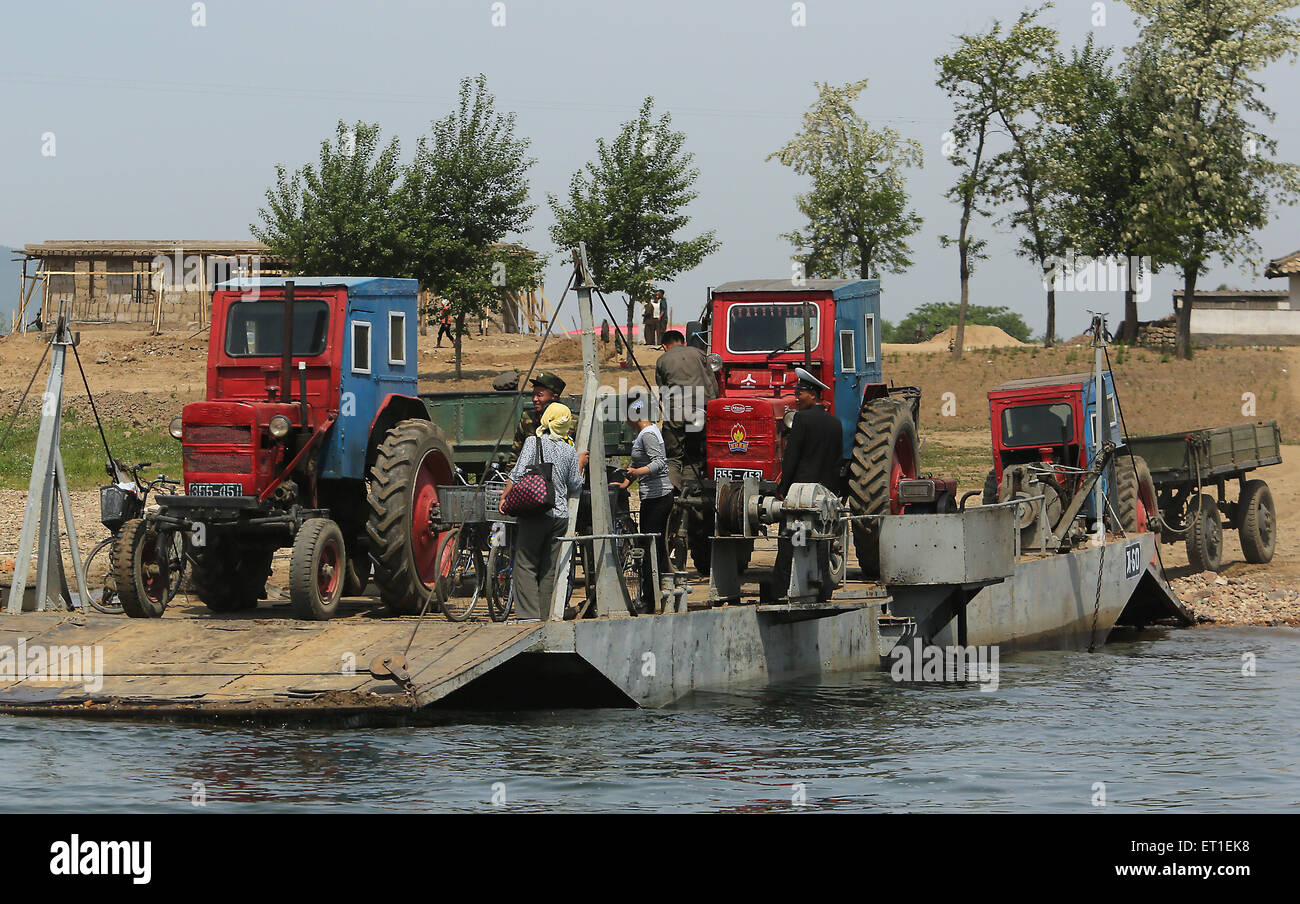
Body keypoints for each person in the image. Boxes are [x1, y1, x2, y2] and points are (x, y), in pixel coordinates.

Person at [502, 403, 589, 622]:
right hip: (559, 516)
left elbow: (517, 473)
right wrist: (579, 465)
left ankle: (528, 615)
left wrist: (505, 497)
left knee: (525, 562)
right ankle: (544, 614)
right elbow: (575, 485)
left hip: (536, 510)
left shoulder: (533, 441)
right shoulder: (570, 450)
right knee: (550, 569)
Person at [772, 368, 843, 602]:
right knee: (821, 541)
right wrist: (833, 491)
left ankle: (782, 589)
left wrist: (783, 488)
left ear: (812, 394)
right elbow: (836, 461)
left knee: (792, 540)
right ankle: (823, 588)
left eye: (799, 393)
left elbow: (792, 456)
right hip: (823, 495)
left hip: (801, 495)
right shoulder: (835, 423)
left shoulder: (802, 419)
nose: (796, 397)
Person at [611, 397, 673, 612]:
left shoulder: (647, 435)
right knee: (653, 547)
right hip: (651, 495)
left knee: (649, 548)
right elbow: (638, 463)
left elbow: (658, 463)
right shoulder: (646, 434)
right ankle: (659, 594)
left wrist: (637, 473)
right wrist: (625, 483)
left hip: (657, 496)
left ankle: (650, 599)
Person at [654, 329, 717, 490]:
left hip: (676, 410)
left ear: (664, 346)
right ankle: (690, 491)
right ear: (684, 343)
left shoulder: (662, 360)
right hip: (699, 410)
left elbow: (663, 391)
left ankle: (672, 492)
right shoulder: (700, 354)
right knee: (694, 456)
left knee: (673, 457)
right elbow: (712, 383)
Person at [510, 371, 566, 460]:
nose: (535, 399)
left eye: (539, 395)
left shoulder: (569, 421)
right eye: (533, 395)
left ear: (554, 397)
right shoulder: (527, 418)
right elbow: (516, 454)